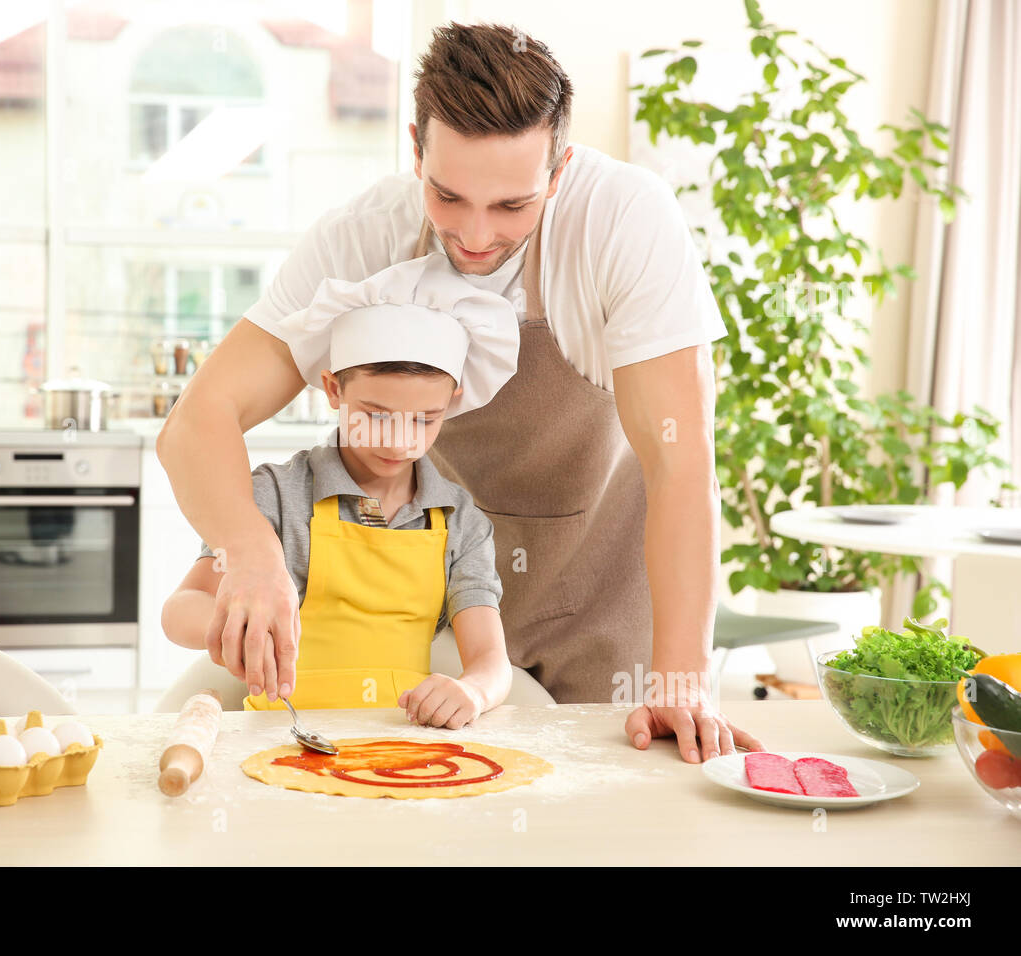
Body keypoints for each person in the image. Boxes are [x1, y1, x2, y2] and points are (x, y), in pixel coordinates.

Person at [157, 21, 764, 761]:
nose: (476, 236)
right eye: (448, 196)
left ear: (560, 169)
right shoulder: (361, 238)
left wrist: (683, 676)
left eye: (513, 207)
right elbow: (196, 422)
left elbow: (680, 462)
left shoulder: (624, 224)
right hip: (435, 620)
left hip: (602, 606)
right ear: (415, 148)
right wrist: (250, 556)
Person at [161, 253, 521, 726]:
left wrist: (471, 692)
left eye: (424, 419)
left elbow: (491, 661)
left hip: (403, 750)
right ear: (333, 390)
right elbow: (180, 610)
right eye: (375, 415)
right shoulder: (277, 495)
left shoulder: (459, 520)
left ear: (451, 401)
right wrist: (239, 625)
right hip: (278, 743)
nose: (398, 441)